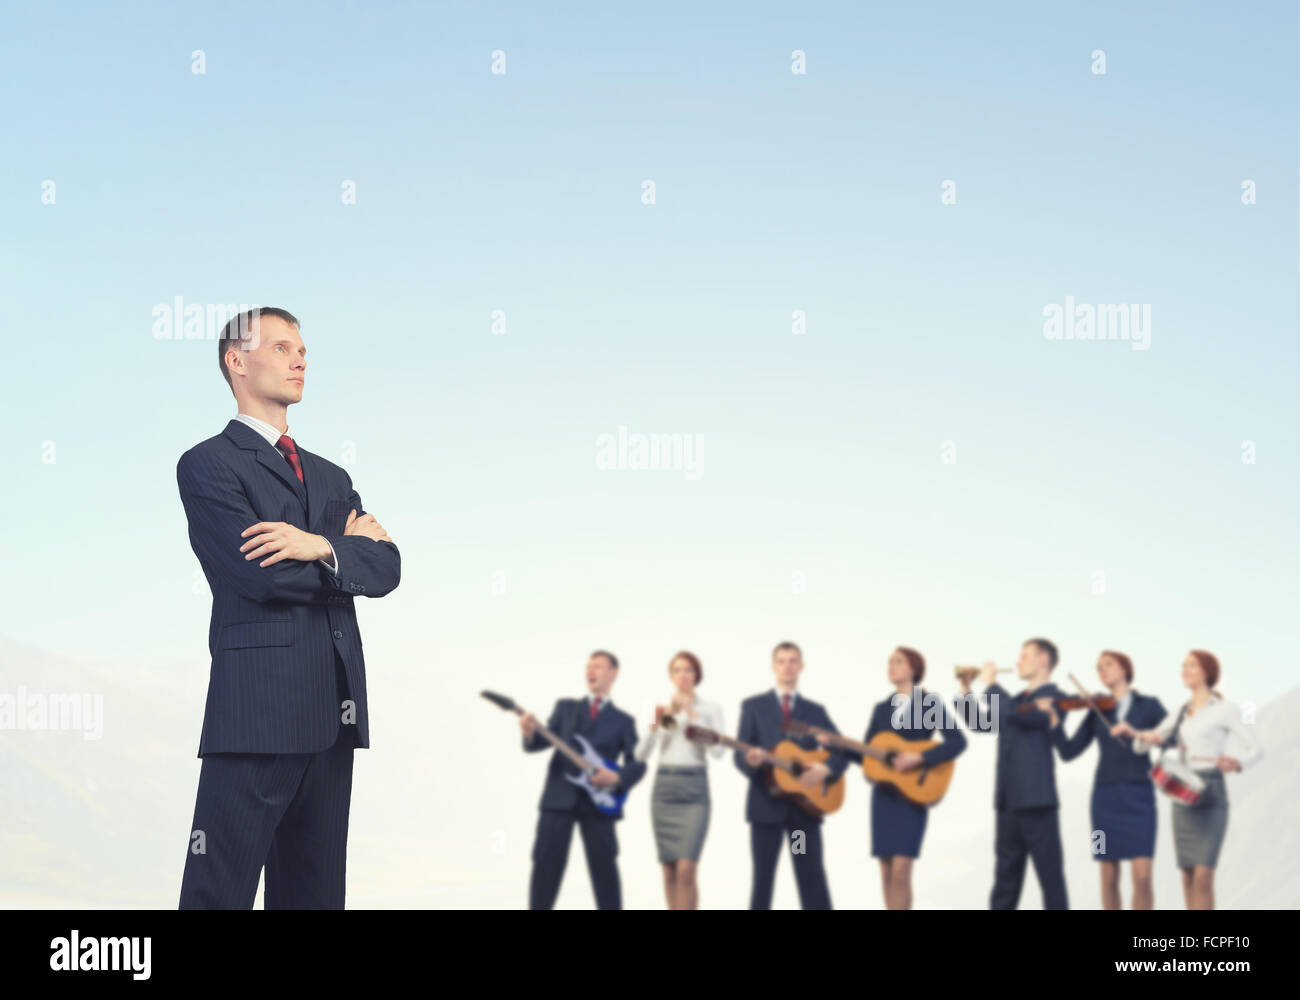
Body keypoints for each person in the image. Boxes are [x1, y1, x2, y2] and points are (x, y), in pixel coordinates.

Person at [178, 307, 401, 909]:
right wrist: (346, 555)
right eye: (280, 347)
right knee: (217, 891)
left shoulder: (332, 476)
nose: (299, 358)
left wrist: (319, 545)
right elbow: (261, 577)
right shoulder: (207, 464)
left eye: (301, 348)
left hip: (334, 711)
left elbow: (388, 568)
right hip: (256, 712)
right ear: (237, 361)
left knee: (316, 895)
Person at [832, 647, 965, 909]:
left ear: (913, 669)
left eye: (898, 661)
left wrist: (921, 758)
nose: (891, 666)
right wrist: (836, 745)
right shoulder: (881, 709)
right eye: (889, 661)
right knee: (886, 871)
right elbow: (869, 756)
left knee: (902, 870)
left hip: (914, 793)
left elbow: (957, 742)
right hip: (884, 795)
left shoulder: (929, 703)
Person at [1127, 649, 1262, 910]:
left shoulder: (1226, 709)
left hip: (1211, 792)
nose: (1185, 670)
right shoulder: (1180, 711)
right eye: (1183, 666)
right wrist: (1145, 737)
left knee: (1203, 876)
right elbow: (1139, 748)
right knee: (1187, 875)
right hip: (1183, 795)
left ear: (1207, 672)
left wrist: (1237, 763)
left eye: (1192, 665)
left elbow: (1256, 749)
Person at [520, 650, 646, 909]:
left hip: (600, 803)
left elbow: (639, 763)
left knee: (605, 871)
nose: (591, 670)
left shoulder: (624, 721)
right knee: (545, 866)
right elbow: (537, 744)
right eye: (588, 666)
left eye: (598, 666)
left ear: (613, 673)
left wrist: (618, 777)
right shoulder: (566, 708)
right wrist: (528, 732)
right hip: (559, 798)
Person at [956, 638, 1071, 909]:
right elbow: (981, 724)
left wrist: (992, 684)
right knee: (1004, 882)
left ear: (1043, 660)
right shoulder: (1014, 700)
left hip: (1037, 801)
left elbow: (1027, 718)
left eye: (1024, 656)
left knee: (1050, 881)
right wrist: (965, 693)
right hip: (1007, 801)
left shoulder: (1058, 697)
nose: (1017, 662)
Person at [735, 640, 849, 909]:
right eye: (782, 661)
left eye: (793, 660)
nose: (787, 666)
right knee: (763, 880)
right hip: (767, 809)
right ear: (773, 666)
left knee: (809, 877)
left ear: (801, 666)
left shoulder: (814, 712)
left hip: (803, 812)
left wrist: (826, 767)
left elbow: (842, 749)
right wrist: (752, 763)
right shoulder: (754, 706)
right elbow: (739, 754)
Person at [1055, 651, 1166, 909]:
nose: (1102, 670)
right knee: (1107, 876)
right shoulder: (1095, 711)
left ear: (1125, 668)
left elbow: (1172, 739)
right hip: (1102, 802)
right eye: (1098, 668)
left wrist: (1137, 732)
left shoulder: (1150, 705)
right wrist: (1055, 722)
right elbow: (1068, 752)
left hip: (1141, 800)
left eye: (1108, 664)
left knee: (1143, 877)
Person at [635, 650, 726, 909]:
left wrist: (694, 716)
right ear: (670, 676)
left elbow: (718, 752)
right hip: (664, 788)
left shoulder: (710, 709)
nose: (683, 675)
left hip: (694, 788)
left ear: (697, 674)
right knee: (669, 869)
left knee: (687, 869)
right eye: (677, 670)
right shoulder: (661, 708)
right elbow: (640, 754)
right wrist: (658, 722)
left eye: (688, 669)